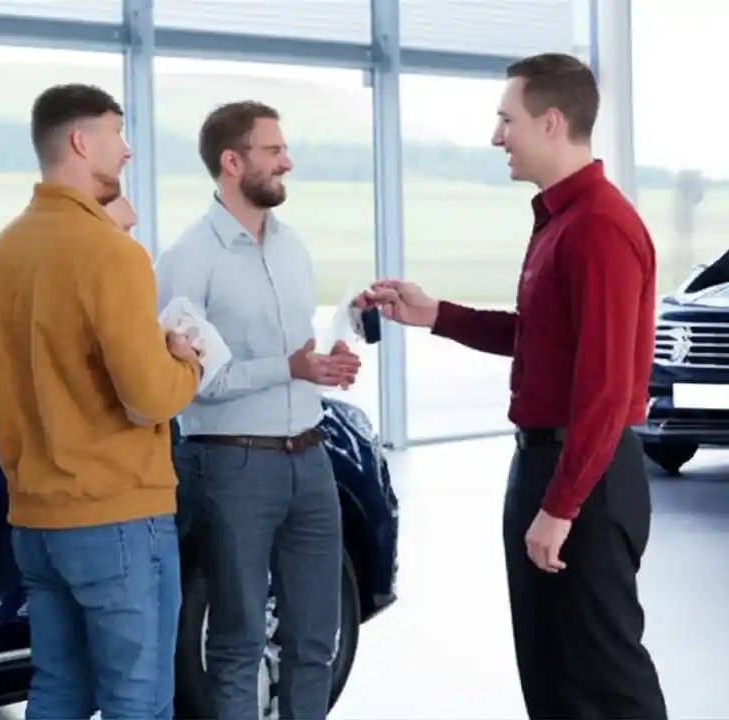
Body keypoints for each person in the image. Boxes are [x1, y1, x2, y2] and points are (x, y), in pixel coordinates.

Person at [357, 52, 667, 719]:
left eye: (507, 119)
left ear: (551, 122)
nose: (498, 135)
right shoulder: (560, 221)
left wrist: (560, 506)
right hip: (550, 465)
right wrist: (435, 314)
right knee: (554, 677)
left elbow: (608, 387)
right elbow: (543, 339)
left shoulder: (599, 228)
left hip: (584, 476)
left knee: (604, 682)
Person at [0, 83, 202, 719]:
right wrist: (189, 362)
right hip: (116, 517)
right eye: (117, 134)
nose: (126, 151)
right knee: (139, 700)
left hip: (36, 519)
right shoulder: (112, 255)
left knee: (57, 690)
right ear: (80, 141)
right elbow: (151, 396)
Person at [155, 100, 362, 720]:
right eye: (273, 152)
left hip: (310, 458)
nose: (287, 162)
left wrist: (329, 359)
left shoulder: (293, 247)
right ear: (231, 161)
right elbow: (194, 381)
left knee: (313, 641)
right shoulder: (186, 260)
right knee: (238, 641)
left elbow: (298, 350)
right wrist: (291, 369)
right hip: (232, 467)